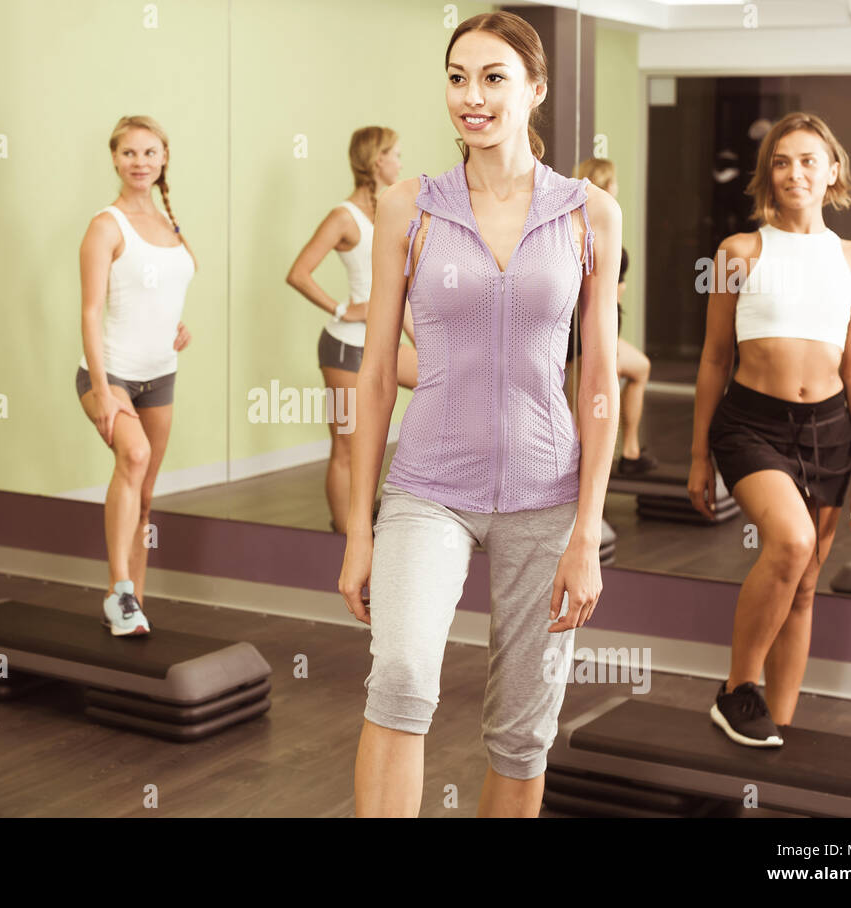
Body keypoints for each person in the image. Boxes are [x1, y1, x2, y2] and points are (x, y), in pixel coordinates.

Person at [338, 10, 620, 817]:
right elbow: (376, 375)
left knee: (526, 726)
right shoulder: (409, 205)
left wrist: (586, 533)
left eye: (494, 78)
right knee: (397, 675)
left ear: (534, 89)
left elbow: (597, 380)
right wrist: (361, 529)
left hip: (548, 494)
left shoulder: (586, 212)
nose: (473, 96)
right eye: (458, 77)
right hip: (429, 486)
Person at [688, 112, 851, 748]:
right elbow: (715, 357)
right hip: (751, 424)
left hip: (830, 432)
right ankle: (737, 690)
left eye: (807, 160)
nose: (794, 171)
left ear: (832, 172)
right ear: (768, 173)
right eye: (781, 160)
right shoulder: (737, 252)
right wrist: (697, 456)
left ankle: (780, 734)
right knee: (792, 544)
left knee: (803, 586)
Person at [76, 116, 196, 636]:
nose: (140, 162)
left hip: (160, 374)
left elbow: (162, 291)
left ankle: (132, 604)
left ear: (164, 158)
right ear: (115, 159)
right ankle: (120, 589)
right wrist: (103, 392)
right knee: (136, 456)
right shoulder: (106, 225)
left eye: (150, 153)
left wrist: (178, 326)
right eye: (129, 153)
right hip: (112, 375)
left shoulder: (170, 223)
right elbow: (90, 312)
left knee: (146, 494)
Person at [287, 127, 419, 534]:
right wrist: (345, 309)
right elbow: (299, 273)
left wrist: (423, 342)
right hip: (345, 348)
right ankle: (345, 538)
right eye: (395, 154)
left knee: (448, 385)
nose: (400, 161)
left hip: (384, 344)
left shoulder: (396, 210)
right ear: (378, 160)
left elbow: (404, 288)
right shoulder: (344, 217)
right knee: (347, 448)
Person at [570, 157, 656, 475]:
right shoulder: (601, 233)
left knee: (639, 369)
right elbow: (607, 298)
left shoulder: (574, 226)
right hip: (588, 335)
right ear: (608, 186)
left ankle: (630, 450)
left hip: (583, 333)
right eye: (615, 182)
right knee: (588, 404)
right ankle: (625, 453)